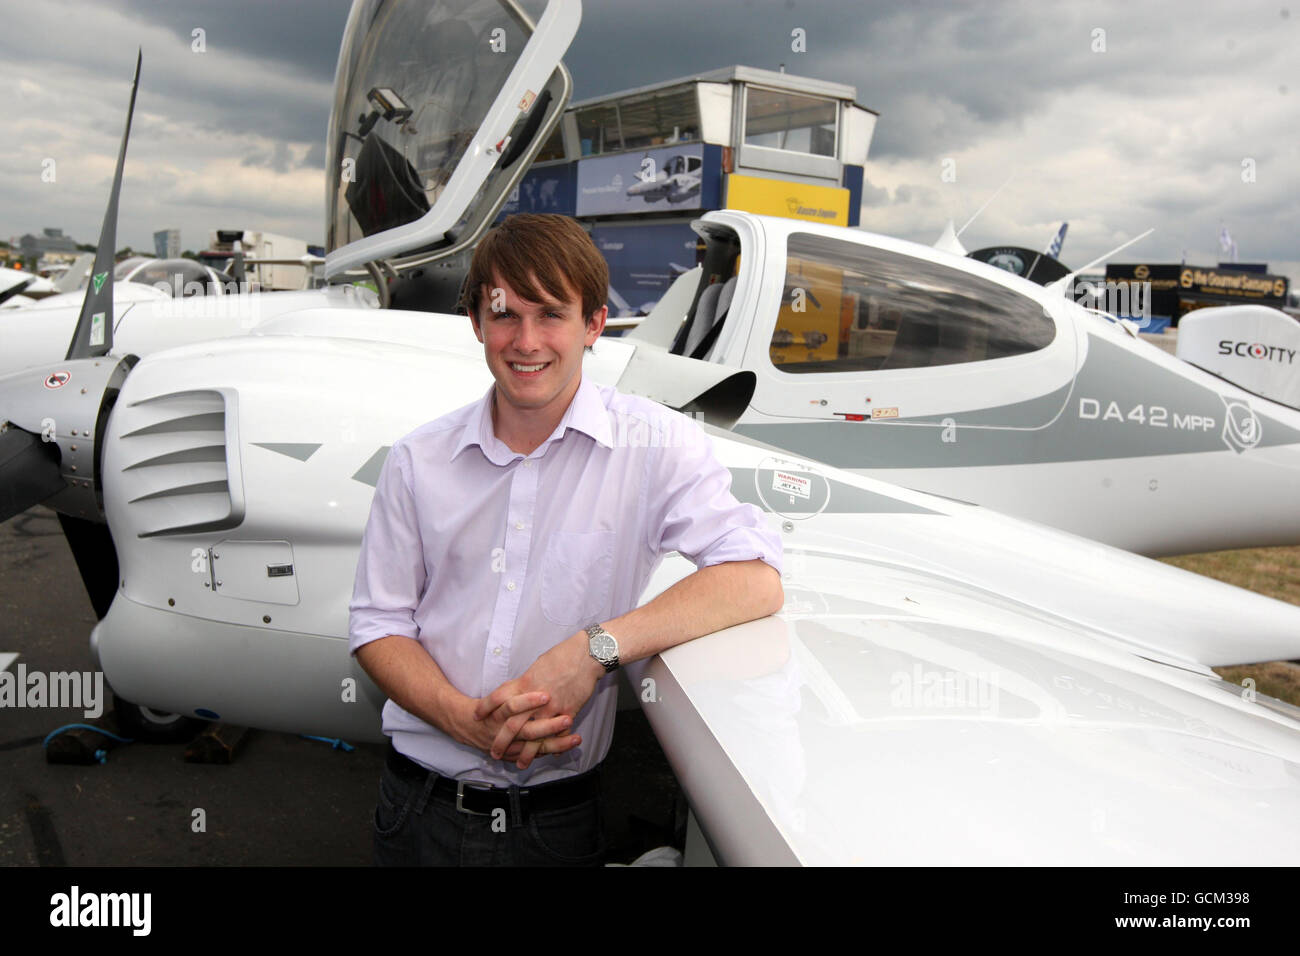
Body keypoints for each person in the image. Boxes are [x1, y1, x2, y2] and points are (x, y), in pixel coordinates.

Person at [348, 213, 783, 866]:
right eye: (504, 314)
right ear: (476, 324)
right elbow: (378, 624)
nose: (526, 341)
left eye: (551, 314)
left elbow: (755, 579)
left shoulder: (655, 447)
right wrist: (459, 717)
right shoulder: (418, 460)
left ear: (593, 325)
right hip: (418, 809)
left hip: (554, 823)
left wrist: (595, 650)